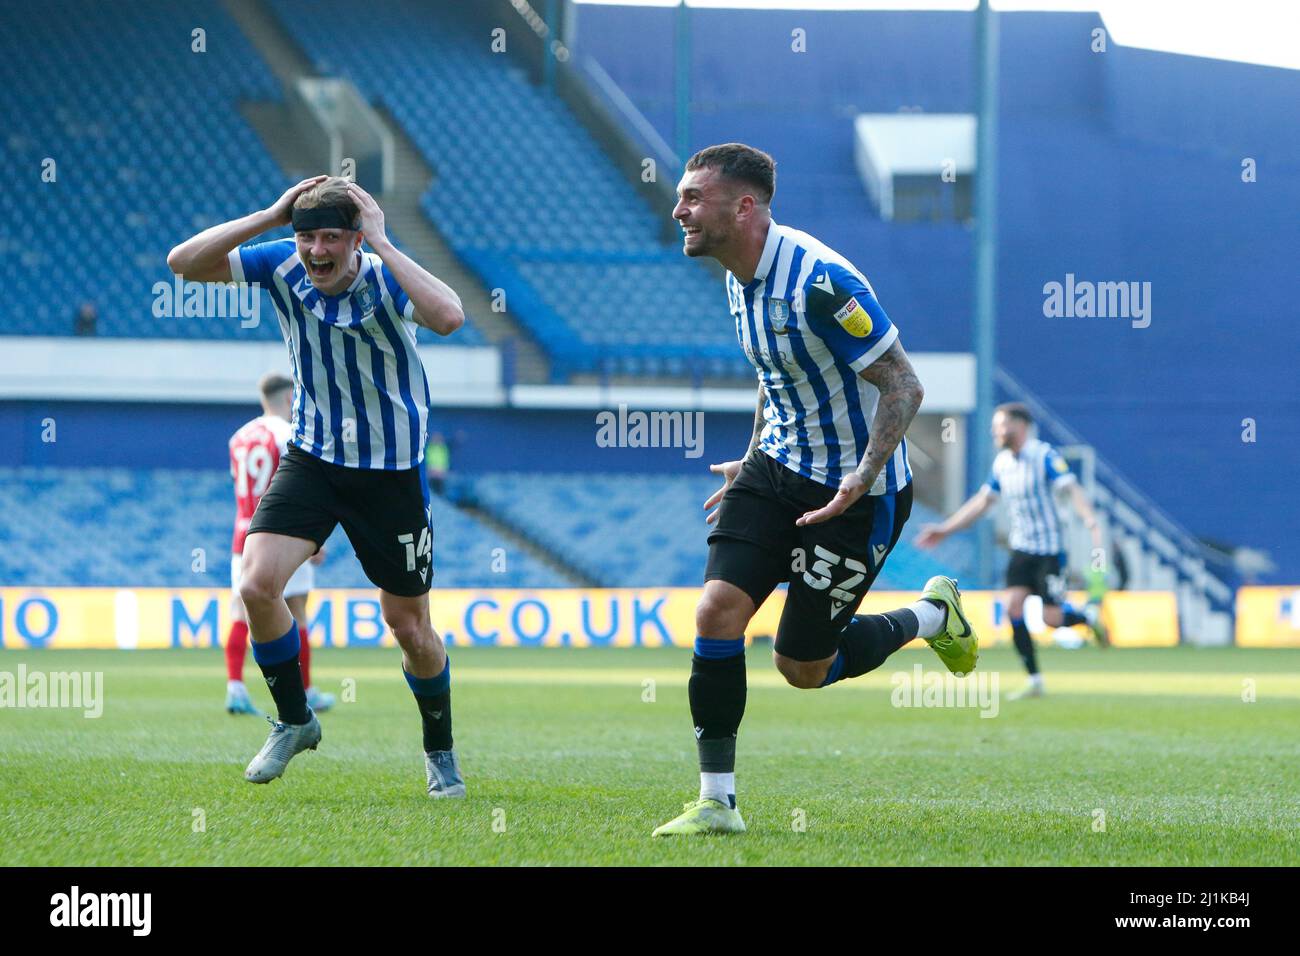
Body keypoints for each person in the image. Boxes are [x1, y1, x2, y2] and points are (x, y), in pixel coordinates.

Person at [652, 143, 978, 837]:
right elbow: (777, 376)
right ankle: (717, 801)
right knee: (716, 612)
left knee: (803, 668)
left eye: (691, 198)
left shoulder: (820, 282)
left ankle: (930, 617)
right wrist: (748, 458)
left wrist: (862, 478)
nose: (678, 209)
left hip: (857, 494)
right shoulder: (736, 275)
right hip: (775, 470)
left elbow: (903, 383)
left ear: (743, 206)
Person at [167, 175, 468, 796]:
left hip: (390, 472)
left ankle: (439, 748)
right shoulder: (282, 263)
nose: (317, 250)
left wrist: (384, 243)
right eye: (308, 237)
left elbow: (449, 316)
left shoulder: (384, 274)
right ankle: (294, 719)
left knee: (410, 628)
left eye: (332, 237)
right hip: (313, 458)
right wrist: (271, 214)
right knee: (256, 584)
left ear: (355, 238)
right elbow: (183, 263)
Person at [916, 402, 1109, 700]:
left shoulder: (1044, 455)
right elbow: (982, 502)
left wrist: (1089, 517)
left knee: (1052, 620)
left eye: (1000, 425)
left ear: (1019, 426)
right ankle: (1035, 680)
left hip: (1048, 552)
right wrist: (946, 529)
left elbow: (1071, 488)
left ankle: (1088, 618)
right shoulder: (1002, 464)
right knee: (1012, 608)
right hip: (1022, 550)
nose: (995, 431)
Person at [225, 372, 335, 717]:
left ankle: (235, 688)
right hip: (284, 533)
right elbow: (298, 488)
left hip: (244, 535)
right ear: (290, 400)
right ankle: (305, 691)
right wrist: (314, 540)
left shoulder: (239, 437)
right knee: (297, 609)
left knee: (241, 611)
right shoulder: (290, 435)